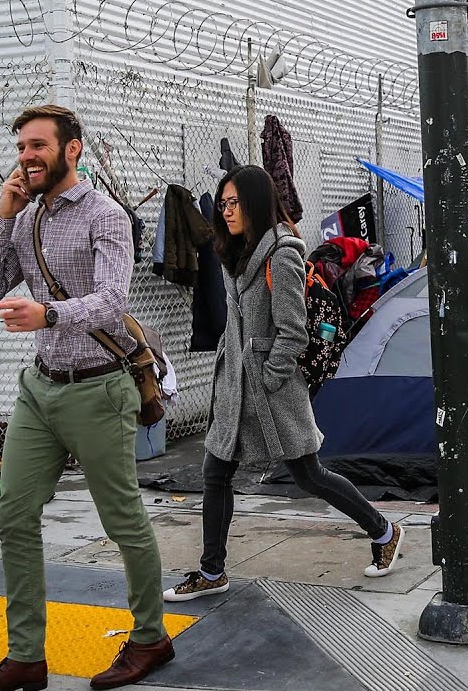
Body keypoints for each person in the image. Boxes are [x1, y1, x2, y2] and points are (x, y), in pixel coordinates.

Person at [0, 105, 173, 691]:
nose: (26, 157)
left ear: (71, 149)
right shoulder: (24, 219)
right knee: (13, 514)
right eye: (21, 147)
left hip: (99, 388)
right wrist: (3, 215)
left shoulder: (106, 216)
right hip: (40, 388)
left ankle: (150, 638)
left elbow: (111, 300)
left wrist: (48, 314)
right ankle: (25, 657)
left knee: (122, 519)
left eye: (38, 146)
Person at [162, 165, 403, 603]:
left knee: (309, 475)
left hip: (273, 389)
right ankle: (212, 570)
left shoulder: (282, 255)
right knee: (215, 471)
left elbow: (293, 332)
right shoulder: (234, 253)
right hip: (236, 385)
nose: (226, 211)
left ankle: (384, 530)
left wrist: (269, 376)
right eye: (223, 204)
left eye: (235, 203)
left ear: (255, 204)